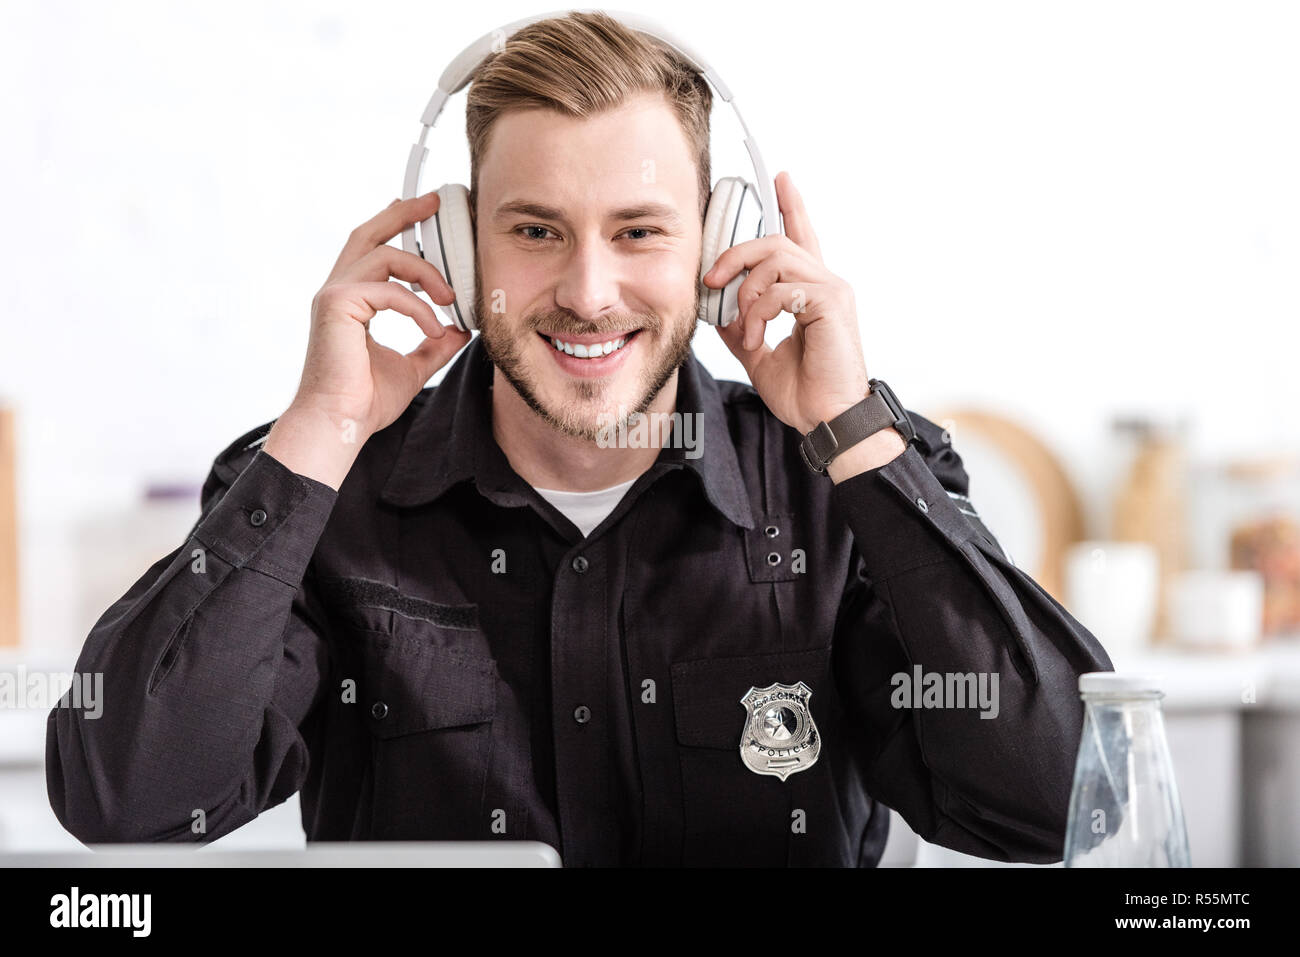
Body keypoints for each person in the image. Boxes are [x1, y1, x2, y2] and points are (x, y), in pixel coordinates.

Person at [46, 10, 1113, 867]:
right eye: (534, 230)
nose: (588, 293)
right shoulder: (326, 490)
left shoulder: (837, 484)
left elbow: (1065, 802)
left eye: (639, 231)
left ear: (720, 242)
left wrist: (857, 440)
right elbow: (129, 802)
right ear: (459, 251)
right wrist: (320, 431)